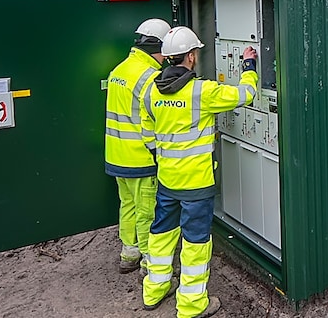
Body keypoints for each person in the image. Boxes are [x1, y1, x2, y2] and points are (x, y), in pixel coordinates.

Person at [139, 26, 257, 317]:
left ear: (167, 58)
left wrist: (165, 157)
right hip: (196, 183)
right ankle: (192, 305)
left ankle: (154, 290)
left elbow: (147, 134)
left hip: (167, 180)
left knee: (162, 233)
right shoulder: (202, 91)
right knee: (195, 242)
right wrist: (249, 65)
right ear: (191, 56)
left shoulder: (150, 91)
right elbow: (247, 94)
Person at [105, 18, 171, 275]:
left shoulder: (120, 70)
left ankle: (129, 253)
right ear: (159, 47)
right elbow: (158, 118)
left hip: (117, 155)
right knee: (147, 212)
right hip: (140, 158)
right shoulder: (150, 77)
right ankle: (150, 263)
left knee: (128, 206)